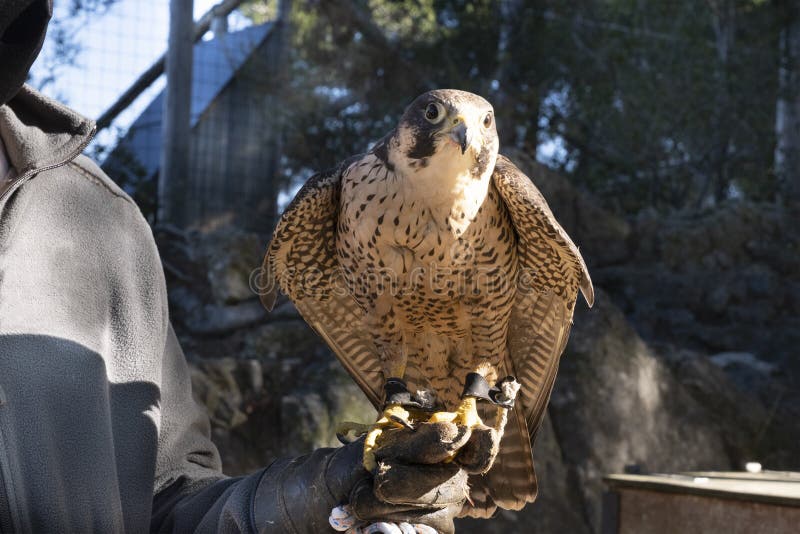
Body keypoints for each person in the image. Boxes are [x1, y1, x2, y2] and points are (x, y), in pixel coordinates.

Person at [0, 1, 495, 532]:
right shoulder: (348, 194)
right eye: (441, 118)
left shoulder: (98, 220)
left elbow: (162, 500)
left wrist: (316, 500)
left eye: (479, 124)